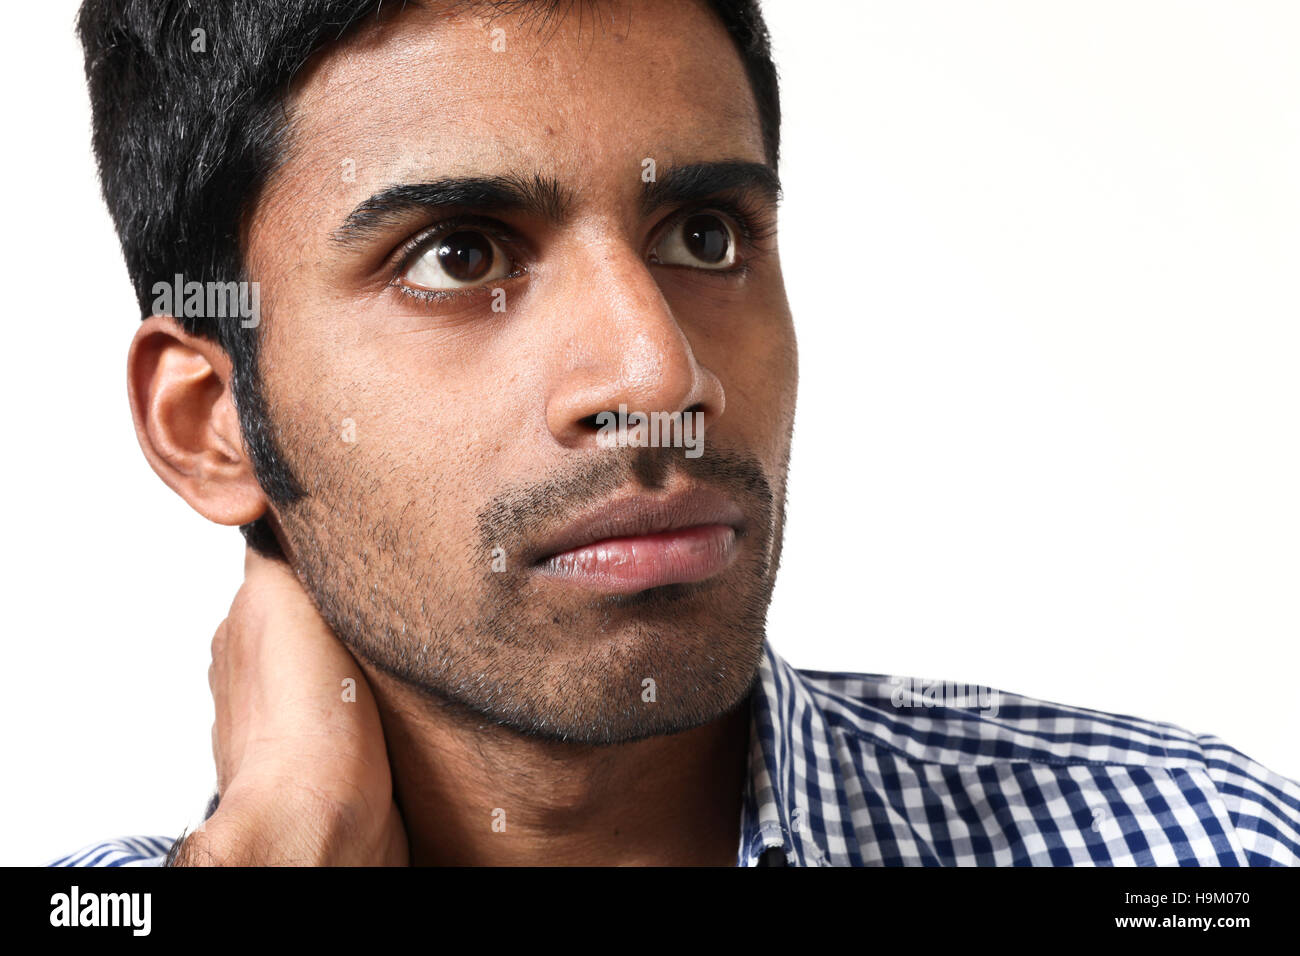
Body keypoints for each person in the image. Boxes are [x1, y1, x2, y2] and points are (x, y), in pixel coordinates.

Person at [51, 0, 1299, 866]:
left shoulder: (1206, 843)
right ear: (212, 424)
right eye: (459, 254)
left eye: (704, 233)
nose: (659, 370)